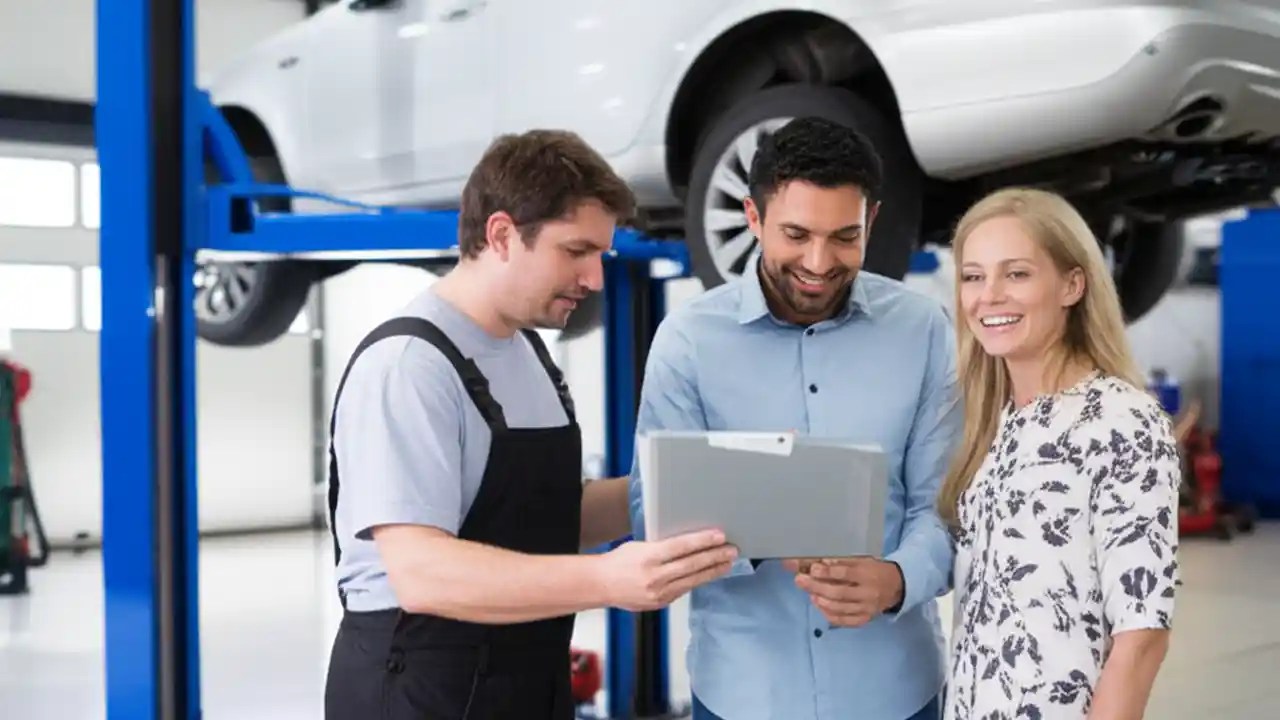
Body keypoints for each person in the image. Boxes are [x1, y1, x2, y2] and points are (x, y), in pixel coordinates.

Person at [322, 129, 738, 720]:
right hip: (422, 689)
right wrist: (607, 581)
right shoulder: (411, 366)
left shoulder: (528, 353)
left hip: (525, 680)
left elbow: (543, 516)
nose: (595, 279)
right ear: (501, 235)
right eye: (576, 251)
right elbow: (422, 573)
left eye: (601, 256)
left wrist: (703, 481)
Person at [628, 116, 961, 720]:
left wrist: (897, 580)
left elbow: (943, 508)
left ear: (872, 222)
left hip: (895, 692)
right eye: (796, 233)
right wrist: (758, 522)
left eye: (844, 236)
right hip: (743, 695)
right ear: (753, 219)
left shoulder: (924, 330)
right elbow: (649, 516)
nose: (819, 260)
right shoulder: (687, 341)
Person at [938, 187, 1180, 720]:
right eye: (973, 276)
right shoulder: (994, 422)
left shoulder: (1122, 422)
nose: (989, 295)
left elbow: (1141, 637)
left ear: (1072, 284)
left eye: (1017, 274)